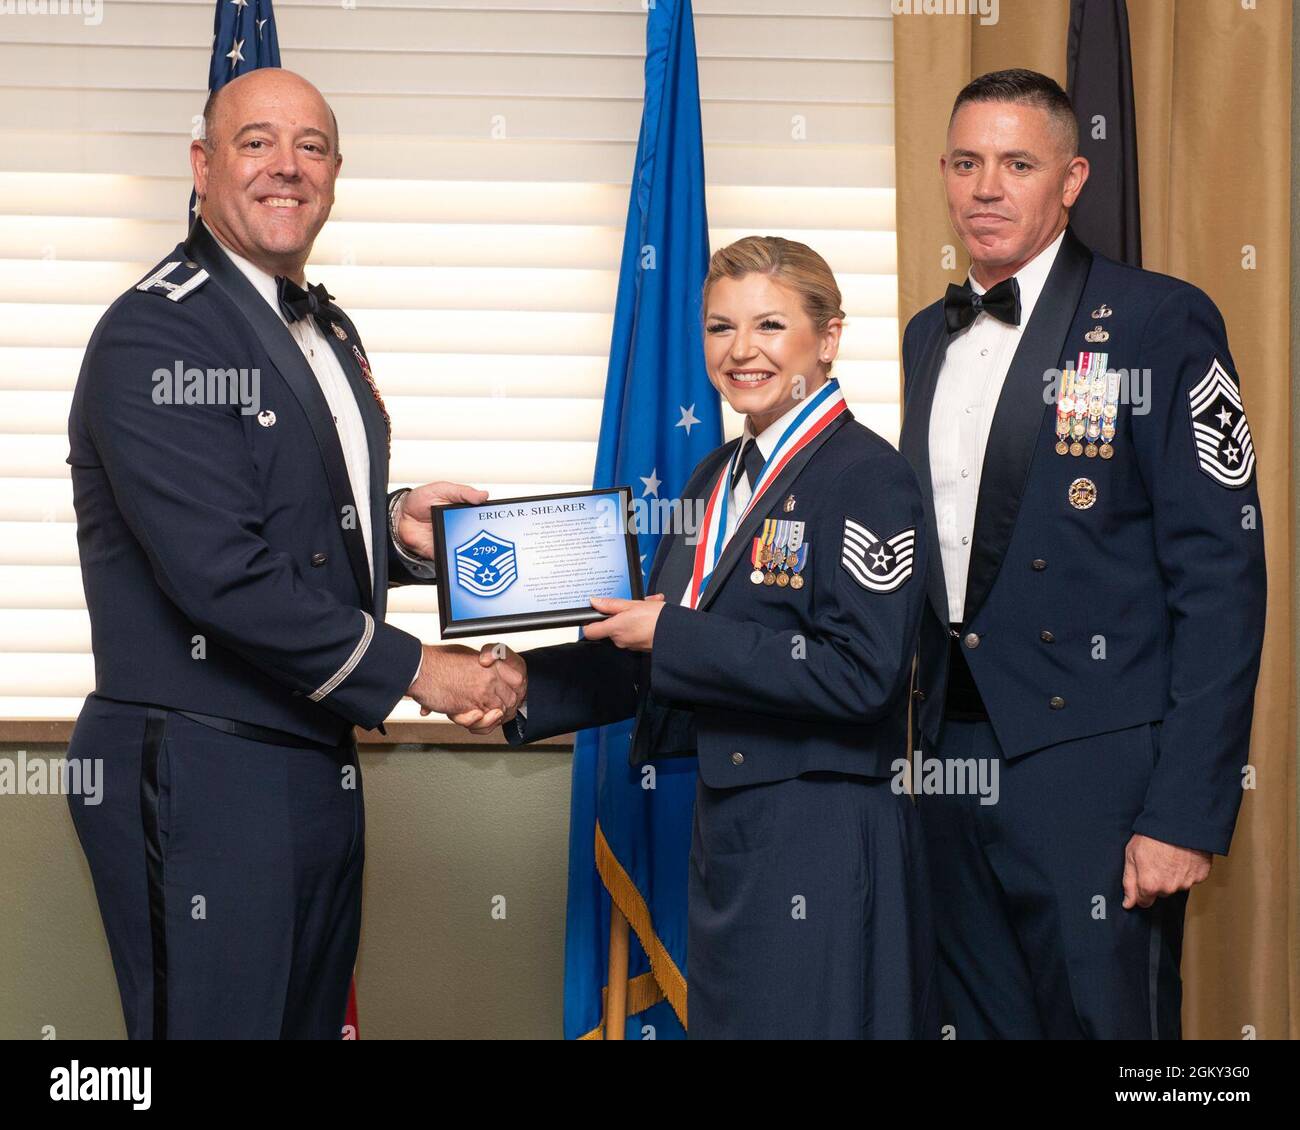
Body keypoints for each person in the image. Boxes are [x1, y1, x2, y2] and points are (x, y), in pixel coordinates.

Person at [65, 68, 523, 1039]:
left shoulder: (321, 324)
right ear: (201, 164)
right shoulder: (160, 330)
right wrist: (423, 671)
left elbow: (291, 520)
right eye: (255, 142)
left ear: (336, 172)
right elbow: (220, 574)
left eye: (310, 146)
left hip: (308, 756)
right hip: (202, 764)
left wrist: (395, 524)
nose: (286, 167)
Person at [469, 236, 937, 1038]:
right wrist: (519, 687)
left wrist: (676, 633)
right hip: (729, 833)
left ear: (826, 340)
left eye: (769, 325)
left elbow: (865, 675)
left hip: (821, 834)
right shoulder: (714, 475)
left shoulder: (867, 475)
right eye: (720, 328)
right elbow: (653, 650)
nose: (741, 351)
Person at [898, 69, 1267, 1039]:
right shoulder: (920, 340)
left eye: (1017, 163)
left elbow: (1222, 575)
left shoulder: (1159, 319)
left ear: (1069, 179)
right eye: (968, 162)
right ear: (942, 172)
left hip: (1097, 773)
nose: (987, 187)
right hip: (948, 760)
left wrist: (1184, 809)